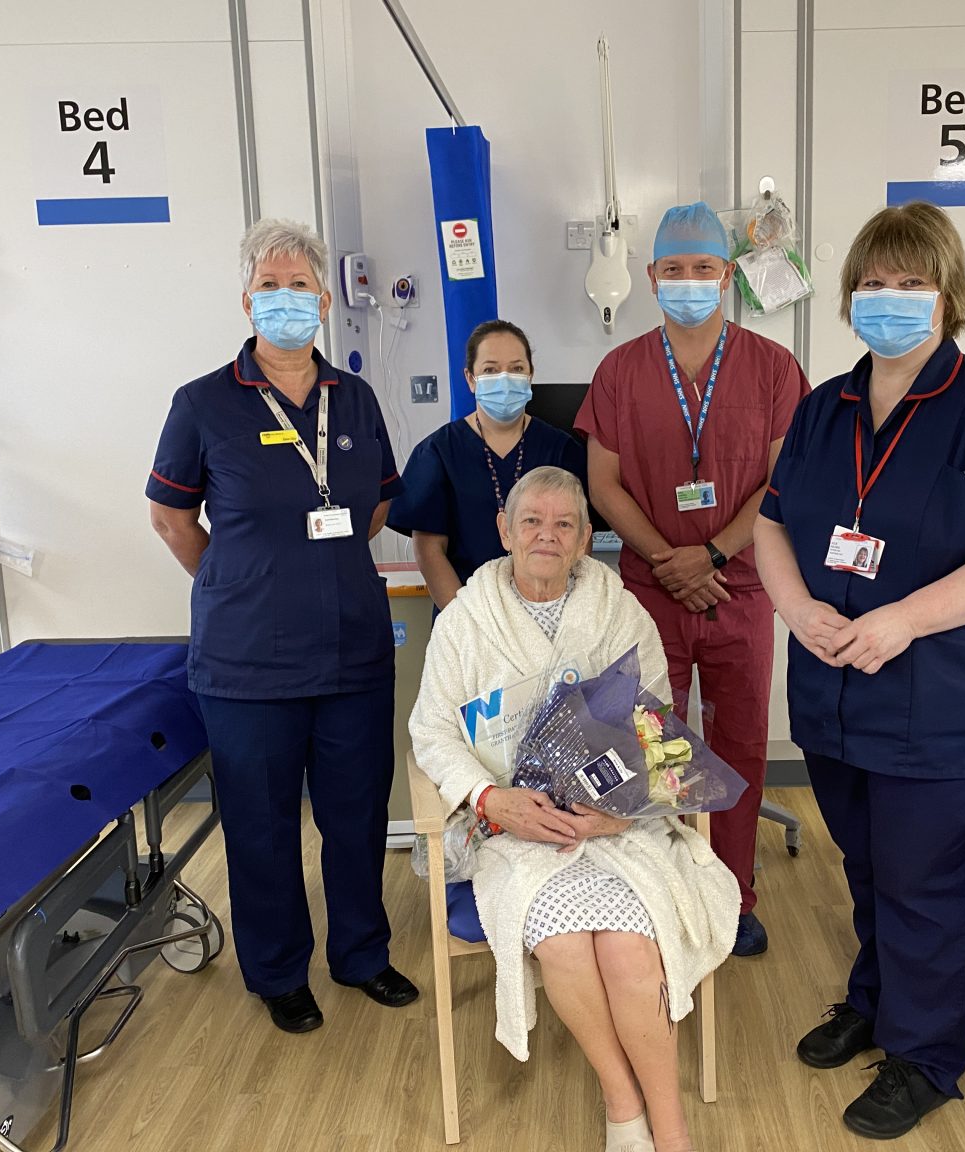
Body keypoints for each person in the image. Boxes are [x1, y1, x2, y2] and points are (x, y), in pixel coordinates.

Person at [753, 201, 965, 1139]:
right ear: (850, 295)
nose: (889, 299)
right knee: (865, 866)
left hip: (944, 703)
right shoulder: (826, 408)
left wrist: (903, 619)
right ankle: (875, 997)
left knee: (924, 882)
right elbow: (773, 522)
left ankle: (926, 1056)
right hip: (837, 693)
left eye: (911, 283)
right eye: (874, 283)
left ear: (948, 297)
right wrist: (795, 607)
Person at [410, 466, 738, 1152]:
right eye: (531, 522)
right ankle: (623, 1108)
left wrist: (620, 814)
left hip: (616, 827)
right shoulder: (466, 621)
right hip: (511, 829)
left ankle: (669, 1130)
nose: (546, 537)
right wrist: (490, 797)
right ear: (504, 530)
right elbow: (432, 732)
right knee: (561, 939)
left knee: (626, 945)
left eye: (564, 525)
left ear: (587, 538)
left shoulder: (621, 612)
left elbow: (658, 723)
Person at [146, 218, 418, 1035]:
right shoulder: (201, 404)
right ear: (246, 301)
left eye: (301, 286)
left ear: (325, 302)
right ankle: (276, 973)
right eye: (271, 286)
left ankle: (362, 954)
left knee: (357, 814)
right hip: (247, 664)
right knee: (262, 828)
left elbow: (374, 505)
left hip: (351, 654)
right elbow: (169, 517)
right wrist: (240, 582)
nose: (287, 300)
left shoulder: (355, 397)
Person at [576, 202, 808, 958]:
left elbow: (783, 482)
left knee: (739, 747)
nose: (688, 281)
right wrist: (671, 562)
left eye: (703, 268)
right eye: (673, 270)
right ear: (649, 279)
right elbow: (603, 485)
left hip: (741, 588)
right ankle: (662, 889)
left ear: (728, 275)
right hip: (651, 595)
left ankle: (733, 899)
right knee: (657, 750)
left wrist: (708, 556)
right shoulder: (620, 371)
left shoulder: (774, 369)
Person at [389, 320, 588, 610]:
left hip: (549, 610)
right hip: (466, 612)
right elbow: (430, 550)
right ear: (470, 379)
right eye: (491, 370)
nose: (505, 379)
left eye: (517, 369)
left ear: (530, 375)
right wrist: (468, 623)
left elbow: (580, 539)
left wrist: (561, 610)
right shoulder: (438, 453)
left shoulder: (561, 449)